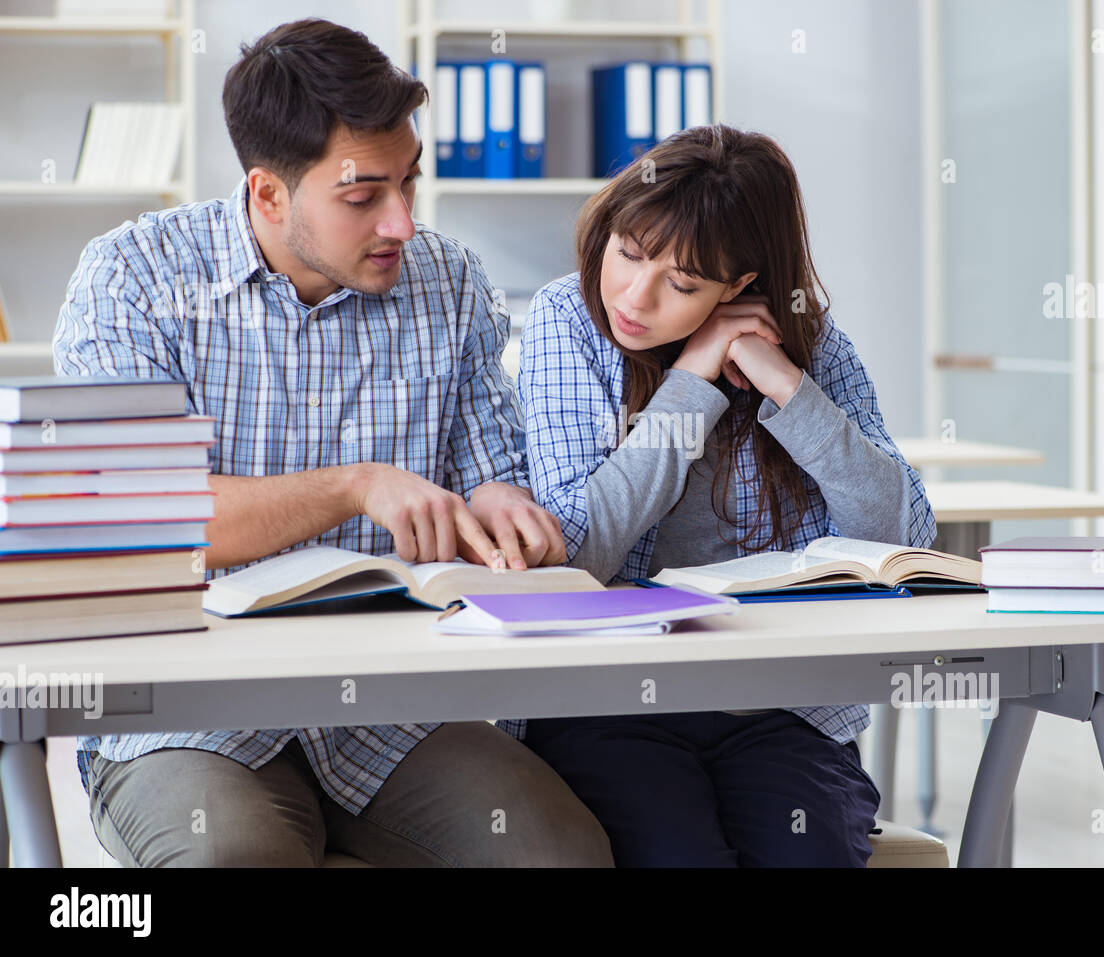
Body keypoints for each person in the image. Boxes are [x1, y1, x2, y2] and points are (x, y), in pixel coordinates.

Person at [52, 18, 612, 868]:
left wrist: (502, 504)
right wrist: (356, 485)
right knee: (232, 860)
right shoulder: (132, 278)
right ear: (267, 194)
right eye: (363, 197)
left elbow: (494, 475)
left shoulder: (449, 280)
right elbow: (154, 520)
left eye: (410, 183)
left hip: (391, 715)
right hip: (193, 719)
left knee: (560, 852)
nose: (402, 224)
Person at [501, 125, 937, 866]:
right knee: (678, 851)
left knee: (809, 853)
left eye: (683, 283)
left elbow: (903, 535)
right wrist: (691, 381)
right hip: (607, 701)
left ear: (739, 286)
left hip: (777, 706)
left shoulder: (810, 346)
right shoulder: (568, 320)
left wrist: (789, 389)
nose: (634, 298)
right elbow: (578, 548)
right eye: (629, 253)